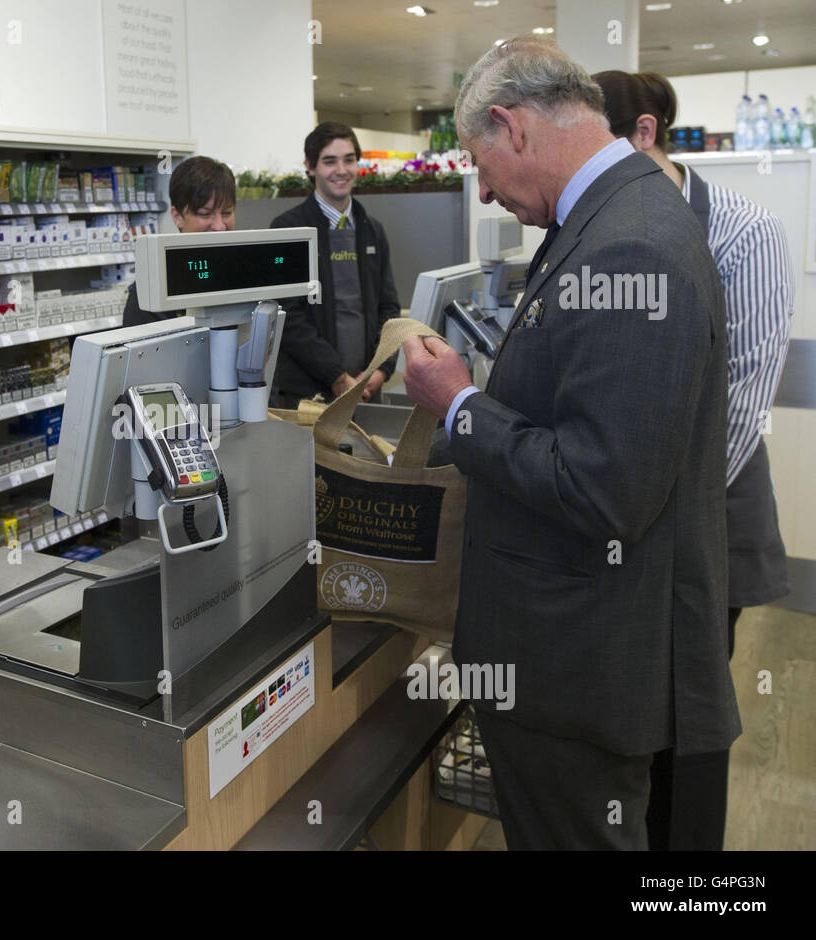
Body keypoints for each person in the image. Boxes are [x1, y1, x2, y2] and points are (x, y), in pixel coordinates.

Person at [402, 38, 741, 850]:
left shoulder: (629, 243)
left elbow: (603, 488)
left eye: (480, 163)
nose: (482, 189)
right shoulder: (612, 214)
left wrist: (462, 407)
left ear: (512, 127)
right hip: (582, 653)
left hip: (574, 665)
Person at [594, 69, 794, 851]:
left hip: (711, 516)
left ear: (644, 134)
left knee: (693, 714)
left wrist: (664, 506)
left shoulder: (743, 230)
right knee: (639, 711)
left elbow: (743, 403)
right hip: (633, 523)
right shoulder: (605, 226)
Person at [269, 122, 401, 407]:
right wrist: (337, 376)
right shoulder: (288, 230)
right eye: (330, 161)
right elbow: (288, 316)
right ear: (310, 166)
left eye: (349, 160)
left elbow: (388, 308)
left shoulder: (372, 231)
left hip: (365, 390)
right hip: (308, 397)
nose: (341, 170)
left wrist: (382, 369)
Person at [121, 155, 236, 327]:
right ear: (177, 216)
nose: (220, 226)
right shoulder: (154, 287)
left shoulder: (241, 271)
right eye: (205, 213)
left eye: (226, 213)